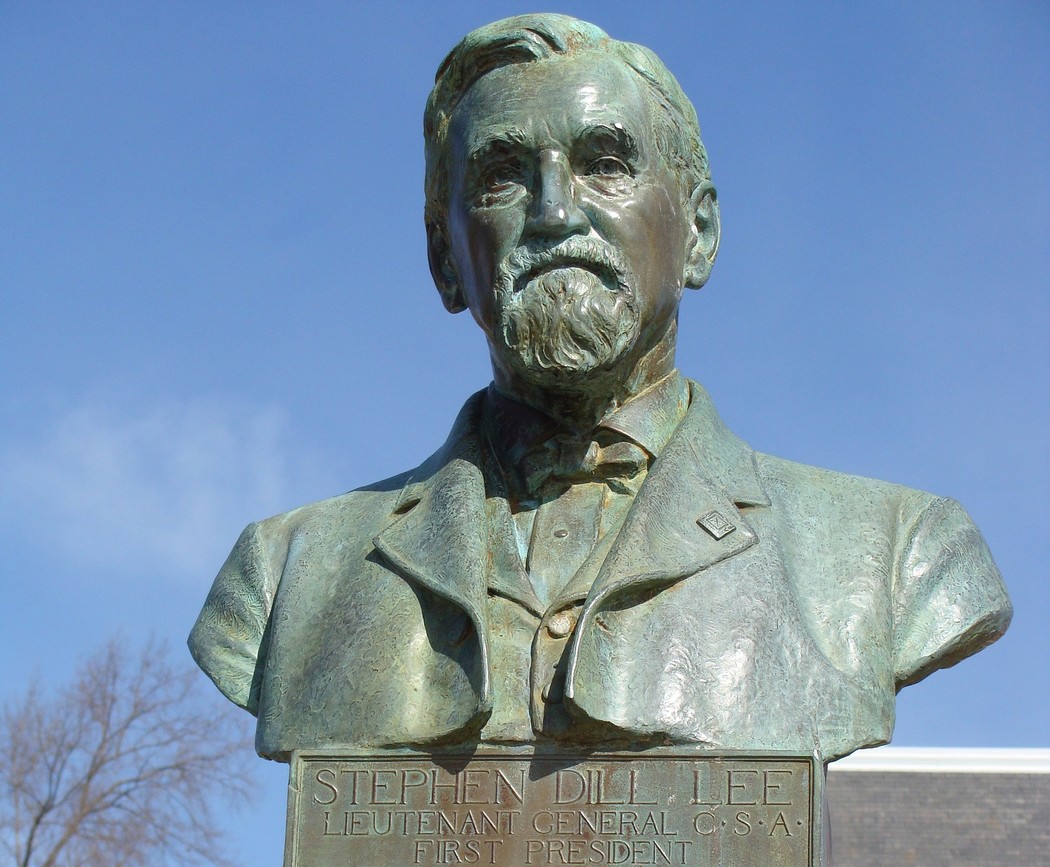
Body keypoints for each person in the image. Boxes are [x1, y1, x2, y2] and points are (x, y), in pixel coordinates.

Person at [189, 13, 1010, 763]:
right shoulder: (286, 573)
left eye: (604, 164)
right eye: (504, 175)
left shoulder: (894, 553)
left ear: (699, 234)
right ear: (445, 258)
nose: (554, 212)